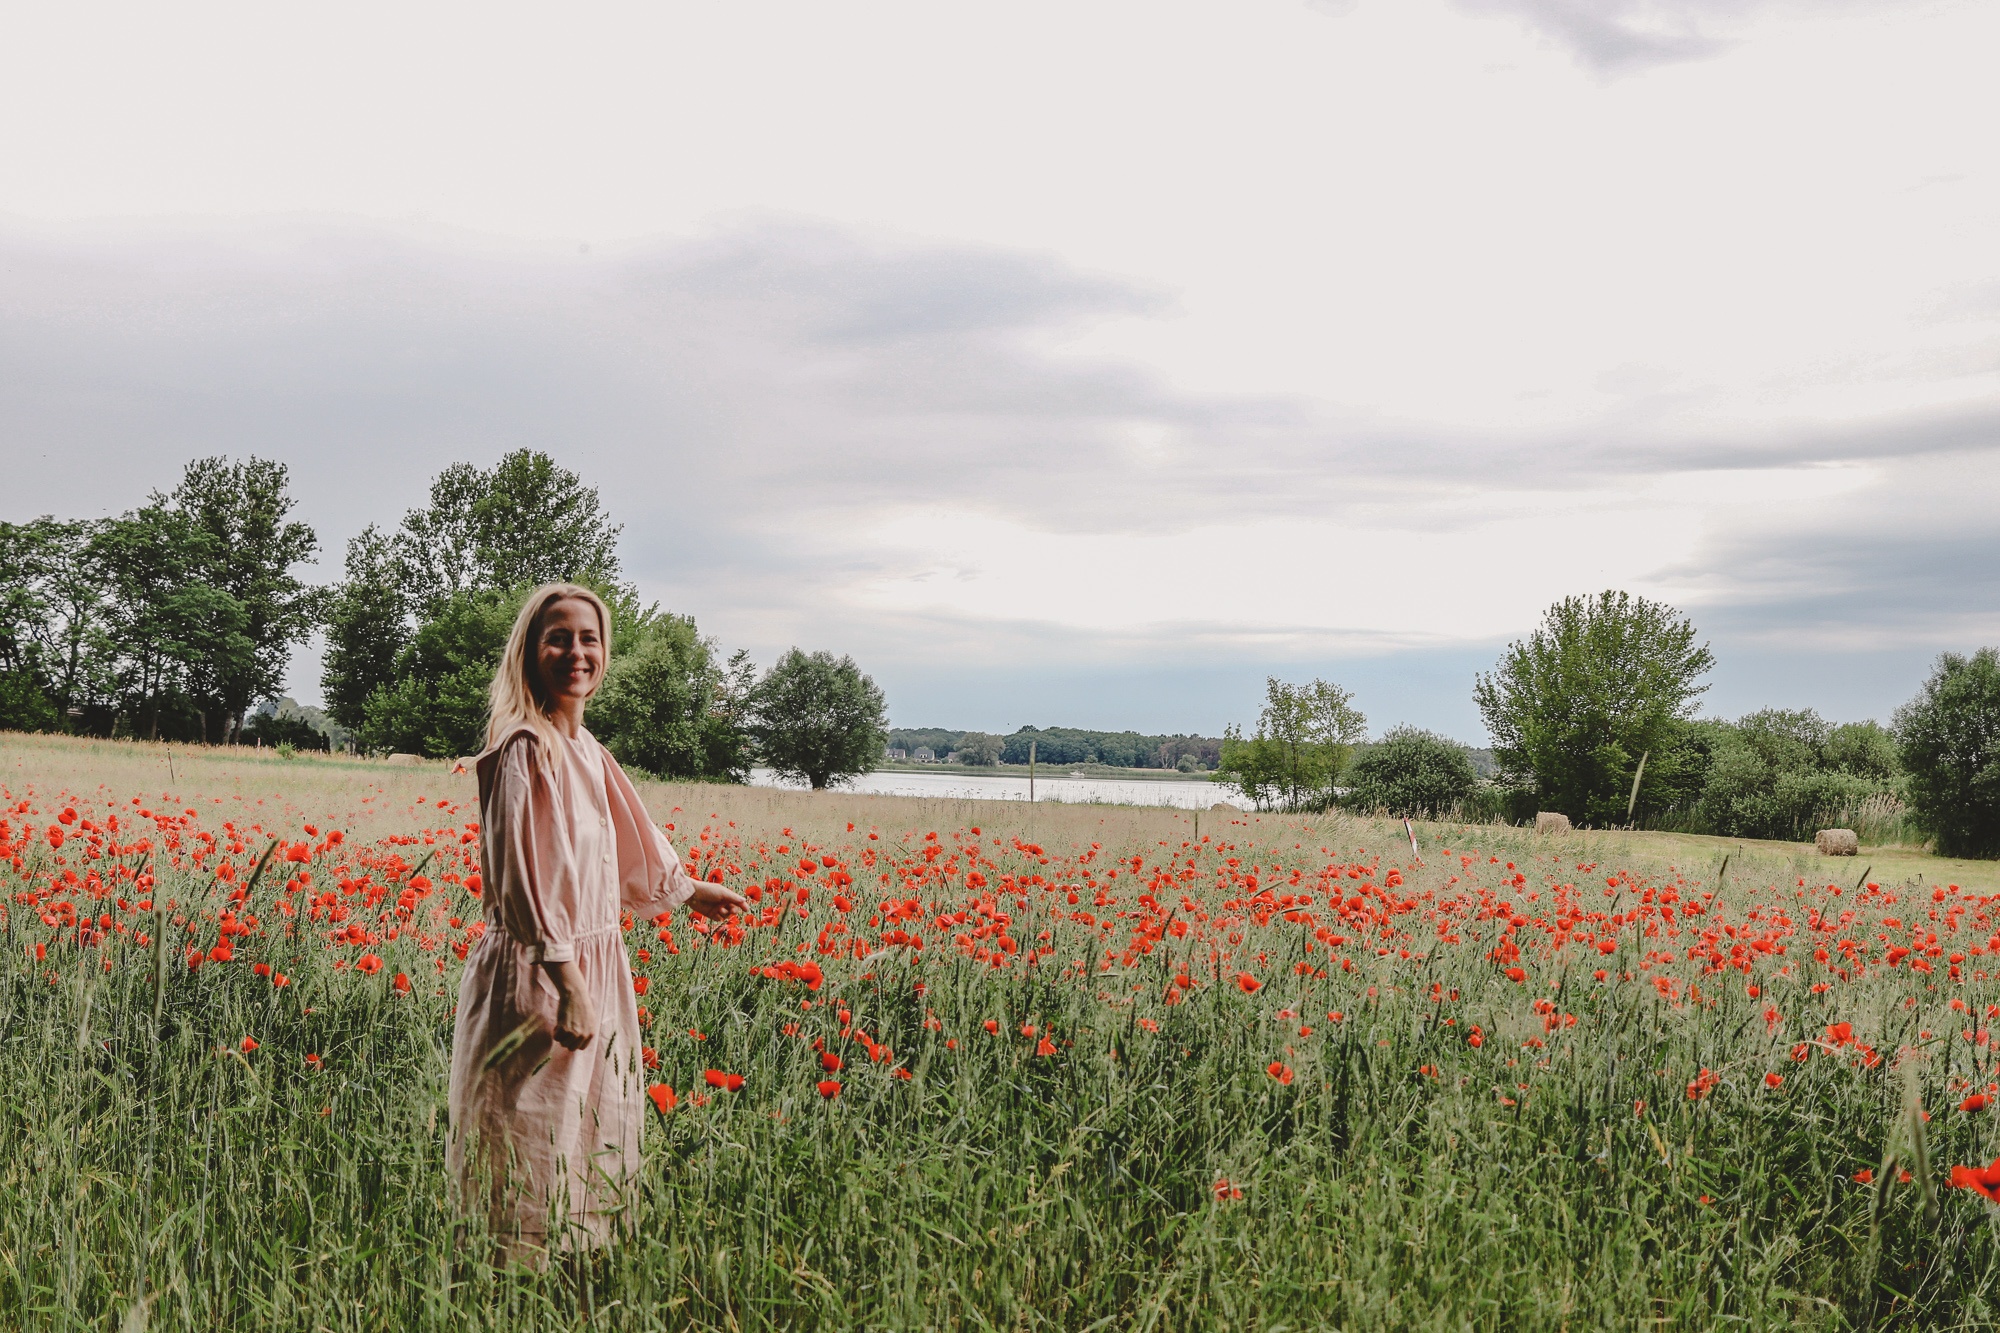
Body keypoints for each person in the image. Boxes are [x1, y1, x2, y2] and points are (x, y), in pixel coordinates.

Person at [448, 582, 746, 1264]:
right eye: (559, 636)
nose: (576, 651)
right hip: (538, 974)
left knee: (583, 1139)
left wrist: (687, 888)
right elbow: (522, 877)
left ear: (605, 651)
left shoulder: (584, 747)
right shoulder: (525, 747)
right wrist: (568, 978)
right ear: (530, 651)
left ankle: (569, 1283)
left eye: (589, 638)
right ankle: (509, 1293)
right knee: (528, 1141)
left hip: (586, 969)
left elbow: (628, 836)